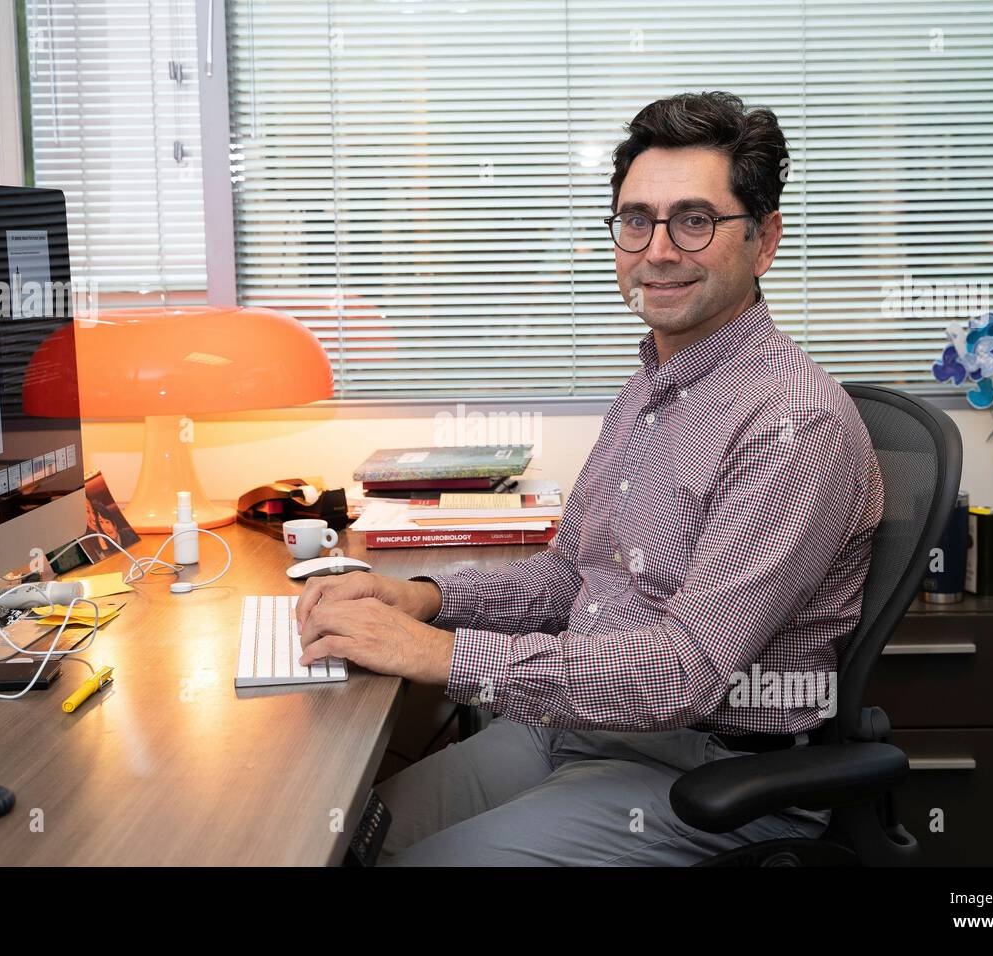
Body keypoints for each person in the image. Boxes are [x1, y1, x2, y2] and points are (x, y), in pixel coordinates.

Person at [296, 91, 884, 866]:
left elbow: (685, 672)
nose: (658, 250)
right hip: (580, 730)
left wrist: (438, 655)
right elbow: (568, 575)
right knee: (339, 842)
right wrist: (425, 599)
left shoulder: (792, 425)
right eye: (637, 220)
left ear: (764, 241)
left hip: (706, 773)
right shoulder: (653, 384)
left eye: (695, 221)